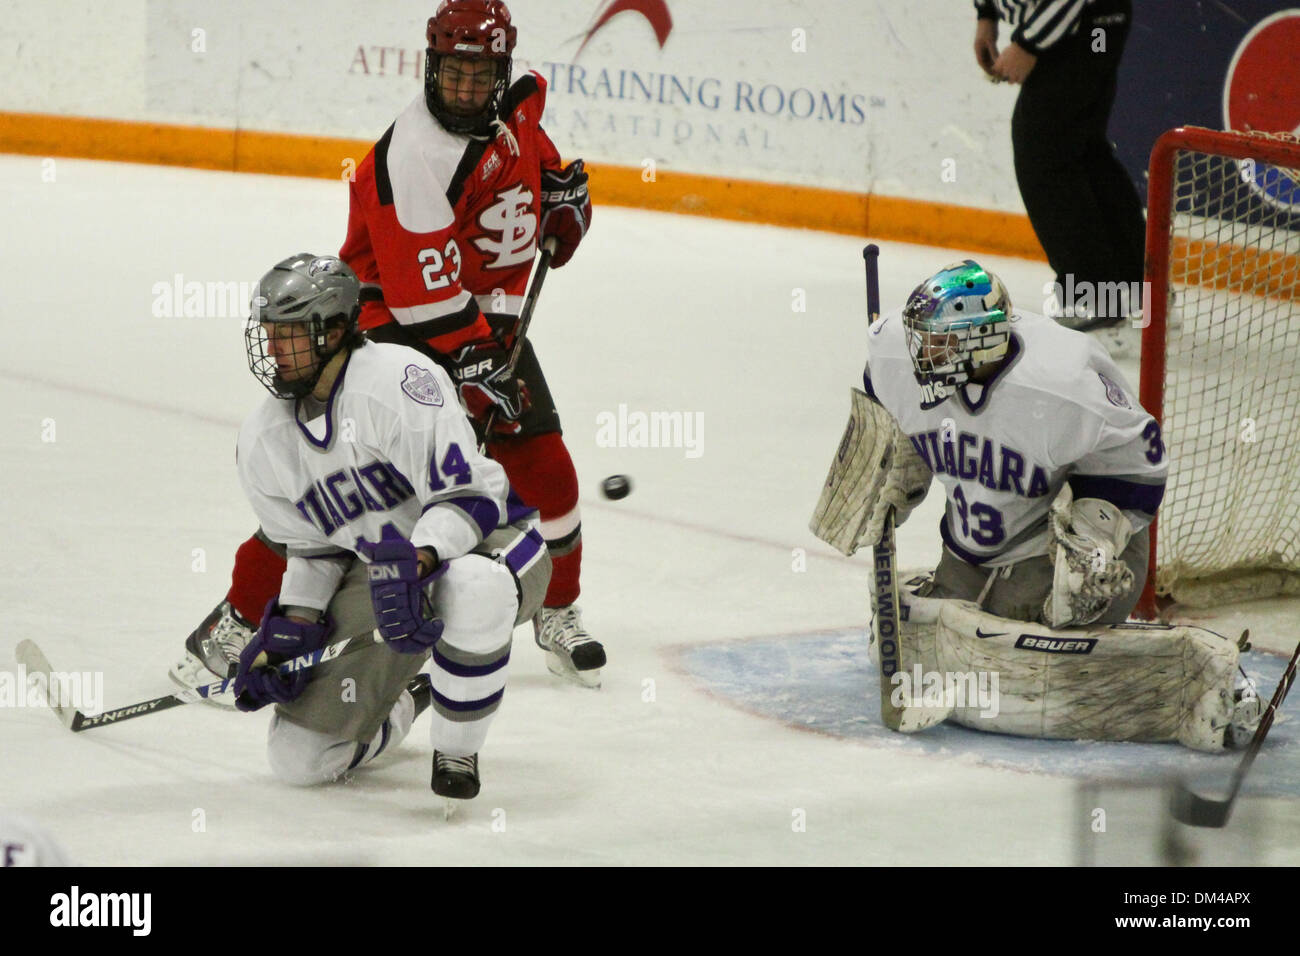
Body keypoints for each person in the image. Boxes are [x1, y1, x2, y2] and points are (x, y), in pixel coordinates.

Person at [172, 0, 602, 695]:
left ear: (501, 72)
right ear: (431, 66)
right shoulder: (413, 154)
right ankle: (234, 620)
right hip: (394, 326)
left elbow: (537, 193)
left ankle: (558, 610)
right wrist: (470, 361)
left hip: (478, 324)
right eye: (452, 74)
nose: (464, 90)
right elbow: (416, 291)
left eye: (479, 75)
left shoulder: (518, 118)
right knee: (345, 488)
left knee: (548, 471)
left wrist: (561, 210)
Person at [811, 260, 1260, 750]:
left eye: (940, 343)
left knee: (1037, 658)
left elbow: (1140, 463)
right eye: (921, 339)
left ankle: (1203, 679)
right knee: (950, 633)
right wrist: (890, 460)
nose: (922, 354)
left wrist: (1093, 535)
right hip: (970, 546)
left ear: (980, 341)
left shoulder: (1059, 388)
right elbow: (884, 408)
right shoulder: (897, 354)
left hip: (1048, 552)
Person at [231, 252, 550, 799]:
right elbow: (313, 550)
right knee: (299, 759)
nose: (273, 349)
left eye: (288, 334)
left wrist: (419, 561)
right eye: (268, 333)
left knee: (472, 590)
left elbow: (470, 495)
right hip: (383, 578)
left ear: (333, 330)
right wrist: (292, 631)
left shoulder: (396, 381)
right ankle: (413, 694)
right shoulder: (264, 440)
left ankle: (457, 751)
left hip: (489, 542)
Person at [973, 0, 1147, 348]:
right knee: (1081, 150)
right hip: (1092, 23)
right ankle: (1141, 291)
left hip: (1077, 24)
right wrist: (987, 14)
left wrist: (1029, 43)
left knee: (1043, 151)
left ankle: (1096, 299)